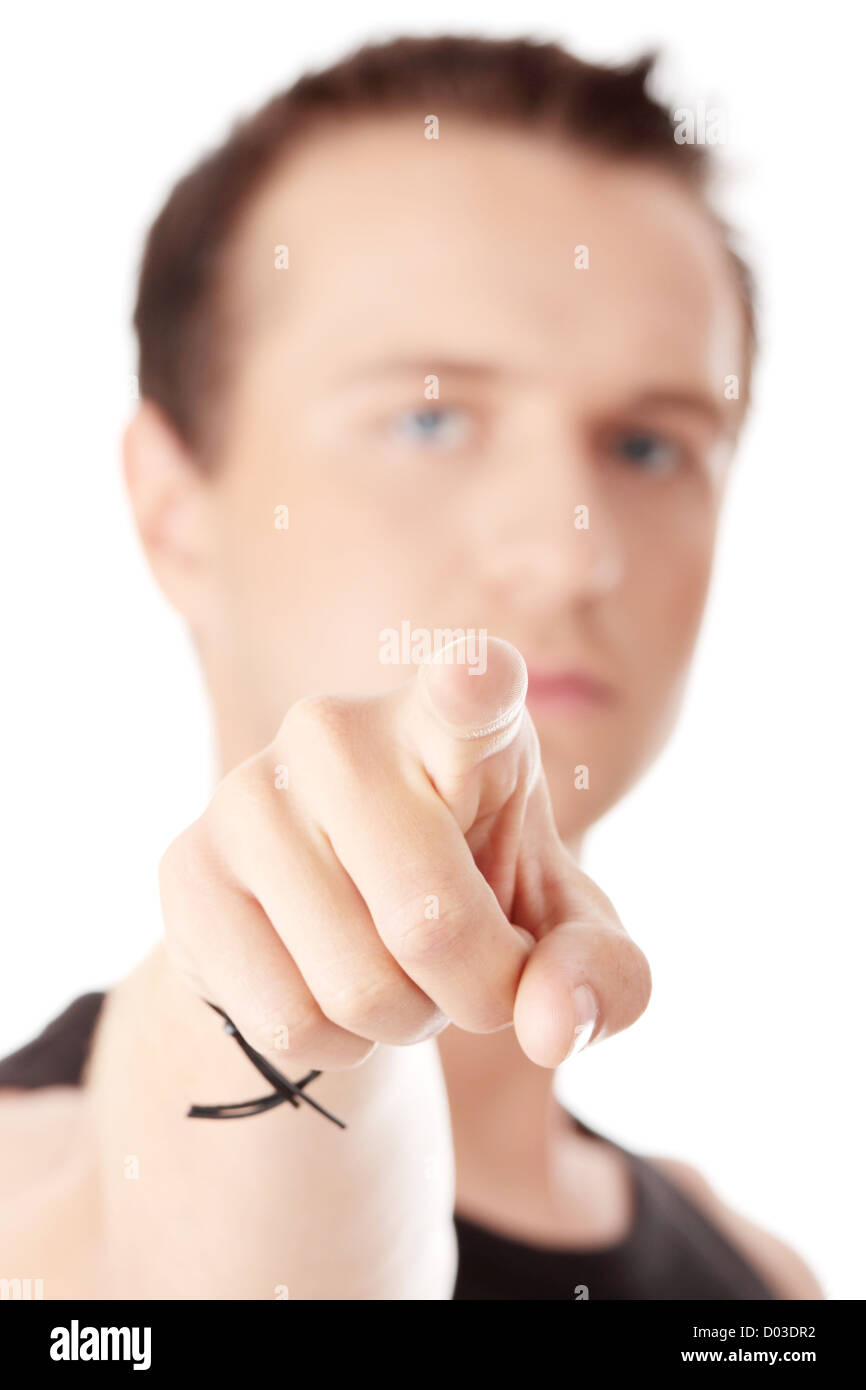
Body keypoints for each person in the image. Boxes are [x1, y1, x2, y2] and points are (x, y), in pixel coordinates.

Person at [0, 33, 824, 1300]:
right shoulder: (34, 1198)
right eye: (428, 417)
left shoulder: (758, 1281)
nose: (567, 552)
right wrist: (256, 994)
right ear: (173, 509)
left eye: (651, 447)